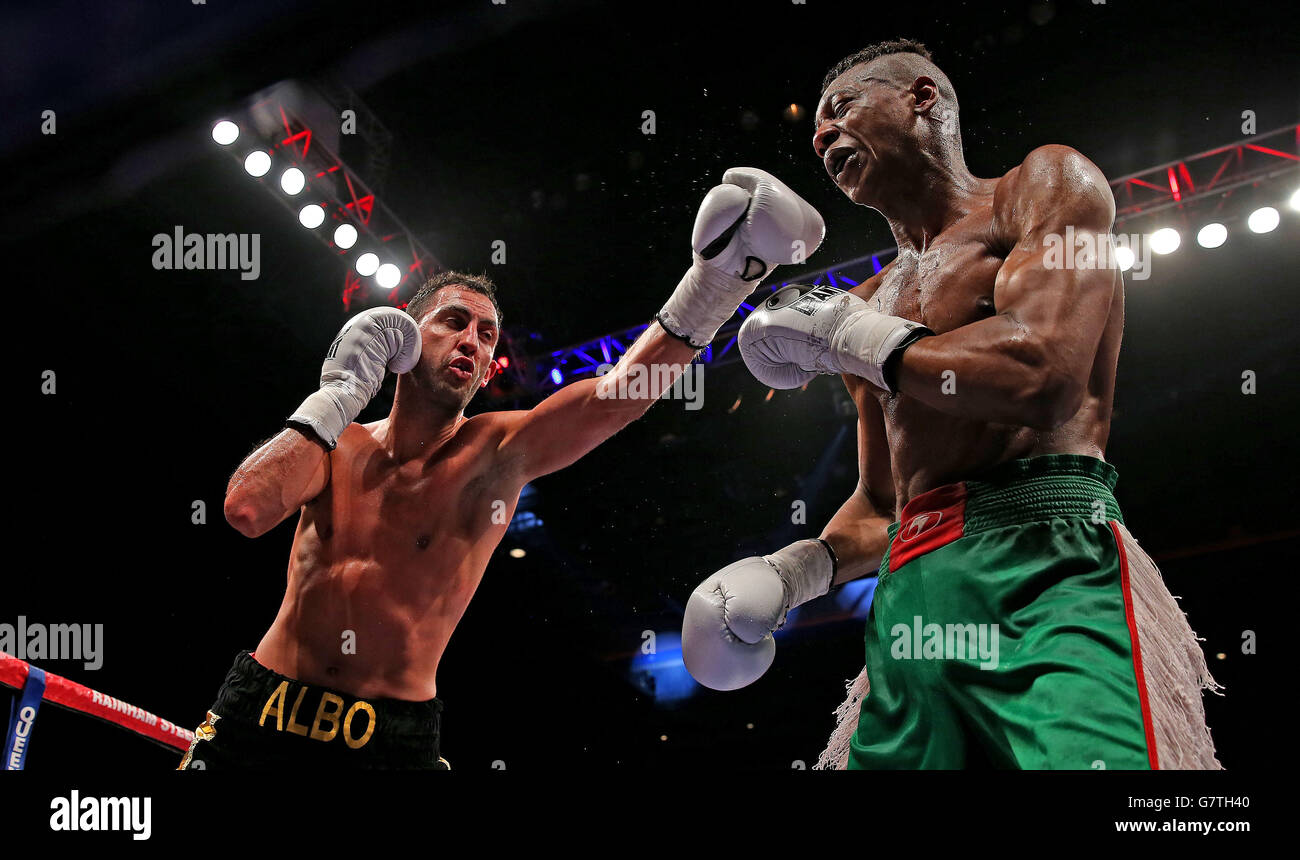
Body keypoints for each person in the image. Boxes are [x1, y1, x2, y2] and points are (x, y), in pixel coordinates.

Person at [681, 40, 1220, 770]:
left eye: (842, 110)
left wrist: (849, 335)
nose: (825, 136)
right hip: (914, 594)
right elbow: (884, 502)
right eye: (815, 133)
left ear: (922, 98)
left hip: (1047, 564)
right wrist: (790, 575)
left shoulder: (1041, 187)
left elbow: (1044, 371)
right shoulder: (867, 306)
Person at [178, 168, 824, 770]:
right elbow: (246, 508)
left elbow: (620, 396)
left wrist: (717, 285)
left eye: (486, 337)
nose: (472, 342)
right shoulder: (337, 445)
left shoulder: (496, 455)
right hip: (263, 704)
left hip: (388, 738)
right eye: (454, 323)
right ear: (405, 336)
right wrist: (338, 394)